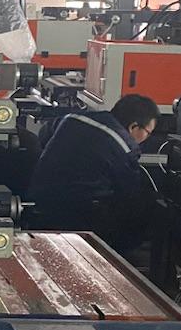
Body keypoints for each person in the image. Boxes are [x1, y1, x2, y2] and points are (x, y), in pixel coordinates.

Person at [23, 94, 161, 254]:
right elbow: (128, 193)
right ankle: (114, 259)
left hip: (38, 202)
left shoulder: (74, 118)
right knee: (144, 209)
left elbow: (44, 135)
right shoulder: (124, 147)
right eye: (148, 132)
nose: (146, 138)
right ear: (133, 127)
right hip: (76, 219)